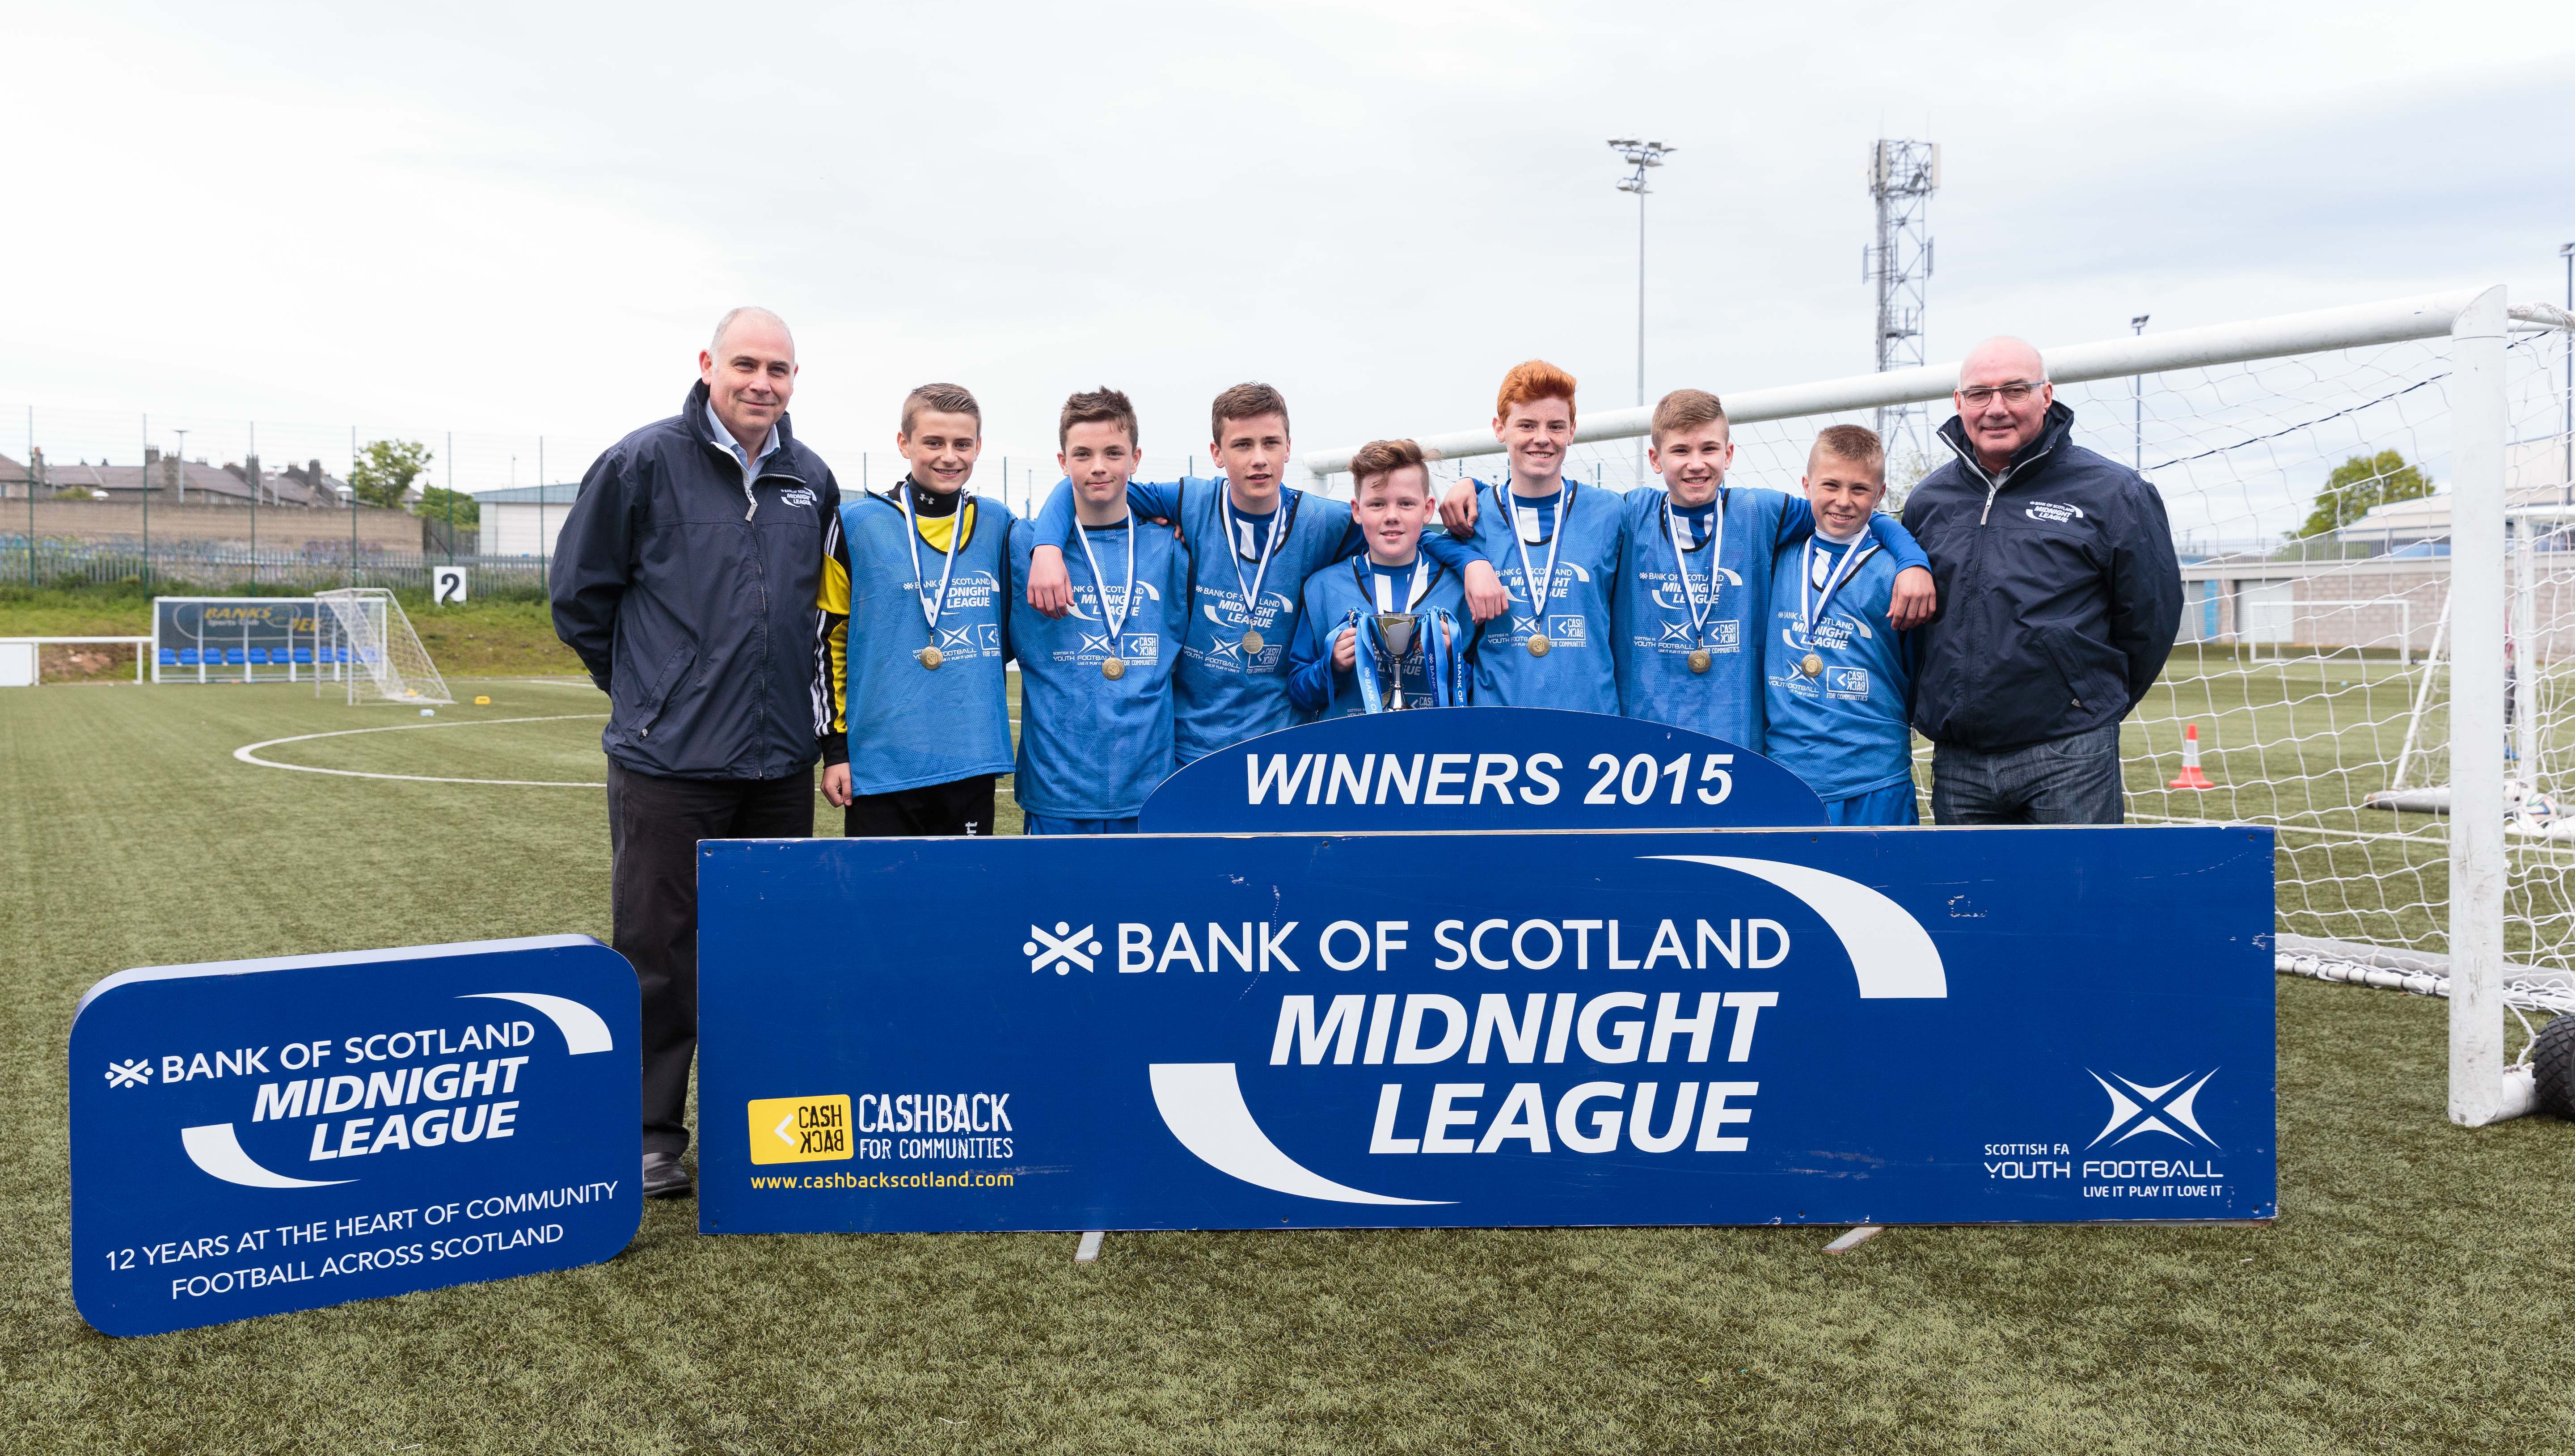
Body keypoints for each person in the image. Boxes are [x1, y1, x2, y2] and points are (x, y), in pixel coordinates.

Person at [549, 306, 840, 1201]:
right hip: (667, 762)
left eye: (780, 370)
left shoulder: (812, 479)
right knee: (659, 954)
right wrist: (651, 691)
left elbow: (821, 615)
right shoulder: (642, 462)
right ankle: (648, 1136)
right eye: (747, 364)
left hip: (780, 761)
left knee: (770, 952)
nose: (763, 382)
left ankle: (769, 1131)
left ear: (796, 380)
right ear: (709, 364)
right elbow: (579, 596)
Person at [1022, 383, 1490, 760]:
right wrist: (1046, 547)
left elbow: (1399, 527)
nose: (1258, 457)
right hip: (1192, 743)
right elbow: (1095, 486)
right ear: (1217, 452)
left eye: (1270, 442)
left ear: (1289, 447)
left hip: (1281, 743)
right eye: (1242, 445)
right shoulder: (1191, 500)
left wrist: (1472, 564)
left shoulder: (1322, 522)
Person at [1902, 335, 2183, 824]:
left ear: (2047, 396)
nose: (1996, 409)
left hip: (2069, 754)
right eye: (1979, 394)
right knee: (1970, 901)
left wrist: (2085, 700)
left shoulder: (2114, 492)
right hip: (1959, 760)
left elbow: (2151, 618)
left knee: (2076, 899)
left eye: (2014, 391)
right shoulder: (1929, 500)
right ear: (1958, 403)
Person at [1607, 389, 1934, 751]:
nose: (1696, 463)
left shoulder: (1759, 511)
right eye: (1681, 450)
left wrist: (1911, 560)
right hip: (1645, 739)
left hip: (1739, 743)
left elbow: (1852, 513)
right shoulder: (1629, 514)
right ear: (1655, 459)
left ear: (1728, 454)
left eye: (1709, 449)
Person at [815, 383, 1015, 837]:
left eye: (963, 444)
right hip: (881, 763)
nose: (949, 456)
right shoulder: (855, 525)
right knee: (880, 904)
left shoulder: (999, 524)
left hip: (971, 757)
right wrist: (836, 750)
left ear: (979, 447)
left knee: (962, 904)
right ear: (904, 443)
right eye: (933, 442)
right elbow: (829, 642)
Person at [1008, 388, 1192, 833]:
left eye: (1114, 452)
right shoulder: (1022, 545)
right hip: (1056, 790)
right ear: (1062, 461)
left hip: (1150, 789)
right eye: (1082, 454)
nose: (1098, 466)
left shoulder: (1172, 545)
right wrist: (1047, 545)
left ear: (1136, 458)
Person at [1430, 361, 1625, 713]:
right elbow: (1421, 540)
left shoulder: (1611, 513)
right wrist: (1472, 561)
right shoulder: (1474, 516)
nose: (1542, 438)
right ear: (1499, 428)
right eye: (1527, 425)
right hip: (1500, 723)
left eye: (1555, 426)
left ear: (1572, 430)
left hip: (1592, 721)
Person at [1762, 426, 1921, 825]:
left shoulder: (1896, 574)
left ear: (1881, 495)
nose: (1844, 501)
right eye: (1830, 485)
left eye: (1860, 490)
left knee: (1884, 887)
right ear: (1806, 484)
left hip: (1876, 776)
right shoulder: (1775, 556)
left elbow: (1916, 666)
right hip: (1788, 775)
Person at [1287, 439, 1478, 716]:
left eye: (1406, 504)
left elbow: (1481, 691)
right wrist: (1331, 667)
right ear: (1357, 510)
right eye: (1377, 504)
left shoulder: (1460, 589)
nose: (1391, 516)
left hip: (1433, 752)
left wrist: (1451, 661)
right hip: (1351, 755)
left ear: (1427, 510)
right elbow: (1298, 691)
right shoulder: (1323, 588)